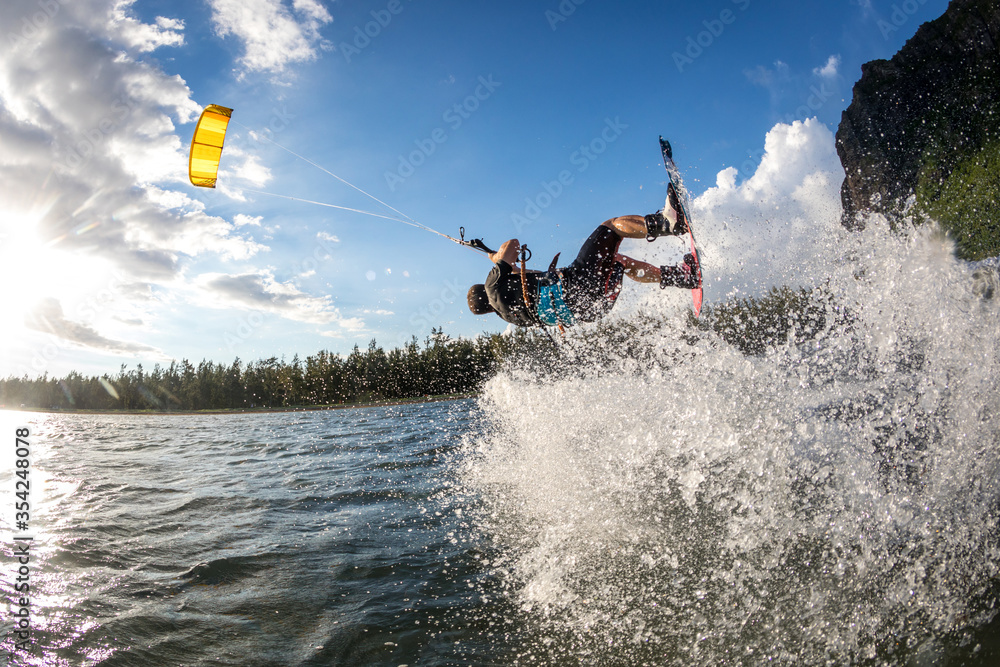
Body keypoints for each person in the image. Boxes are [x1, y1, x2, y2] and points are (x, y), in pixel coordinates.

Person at [467, 195, 698, 327]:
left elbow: (533, 283)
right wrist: (496, 257)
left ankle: (681, 276)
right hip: (579, 284)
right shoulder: (492, 286)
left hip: (594, 309)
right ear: (483, 289)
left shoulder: (511, 316)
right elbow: (512, 244)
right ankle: (667, 223)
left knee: (617, 261)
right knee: (611, 227)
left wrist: (509, 267)